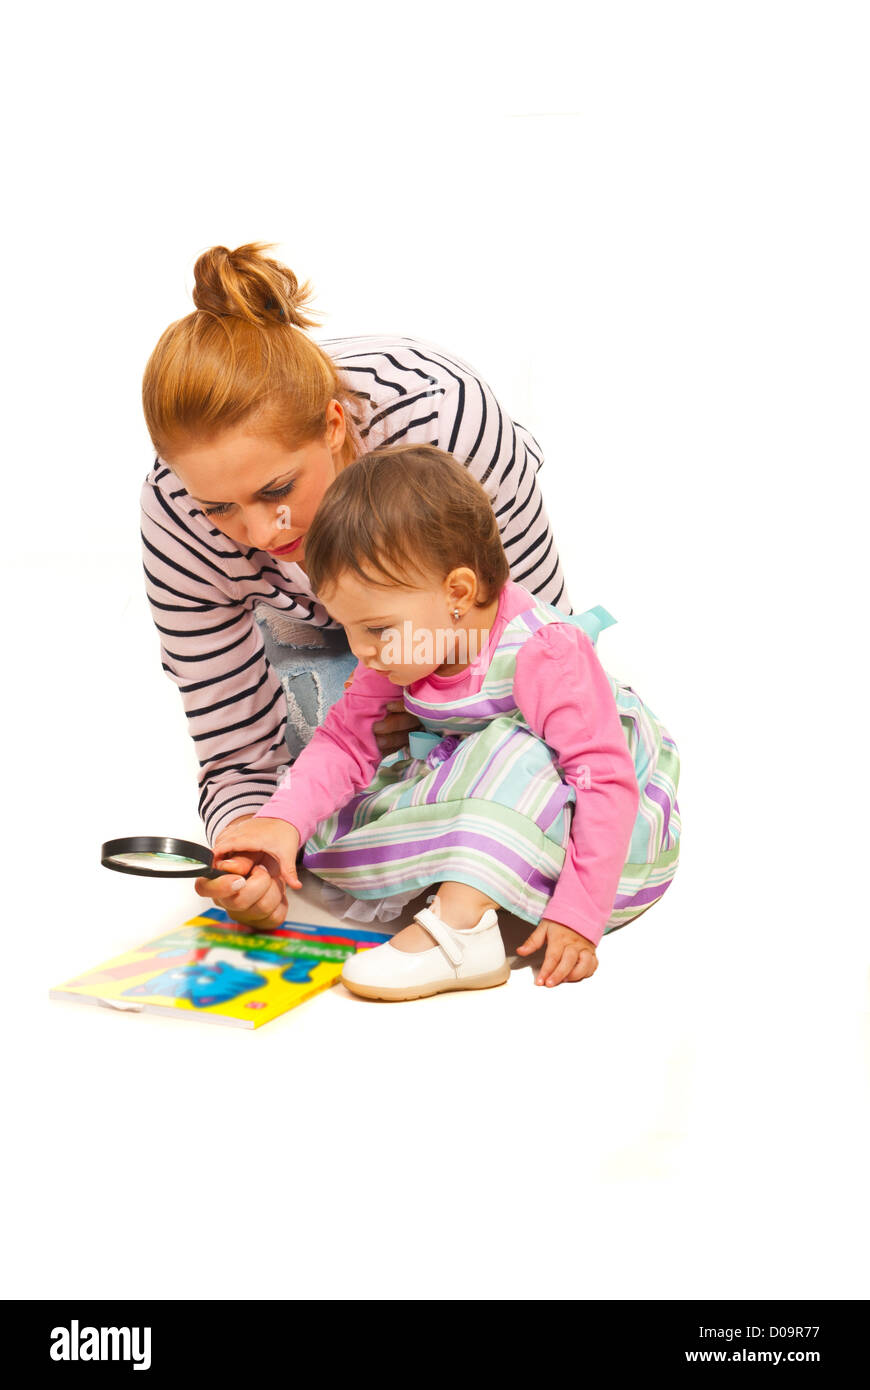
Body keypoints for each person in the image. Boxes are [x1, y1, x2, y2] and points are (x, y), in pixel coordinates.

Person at [140, 242, 575, 930]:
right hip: (306, 635)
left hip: (457, 616)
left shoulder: (443, 418)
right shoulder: (177, 517)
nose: (256, 531)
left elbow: (544, 646)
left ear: (335, 425)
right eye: (218, 507)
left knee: (487, 735)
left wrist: (439, 709)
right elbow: (235, 752)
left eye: (276, 489)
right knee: (333, 760)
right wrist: (251, 845)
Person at [210, 445, 682, 1000]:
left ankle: (464, 931)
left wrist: (581, 912)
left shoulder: (544, 654)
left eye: (377, 629)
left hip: (585, 810)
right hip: (485, 787)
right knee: (336, 806)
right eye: (350, 628)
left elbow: (603, 779)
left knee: (513, 744)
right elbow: (344, 739)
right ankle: (459, 877)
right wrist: (281, 821)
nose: (362, 651)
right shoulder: (412, 642)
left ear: (456, 593)